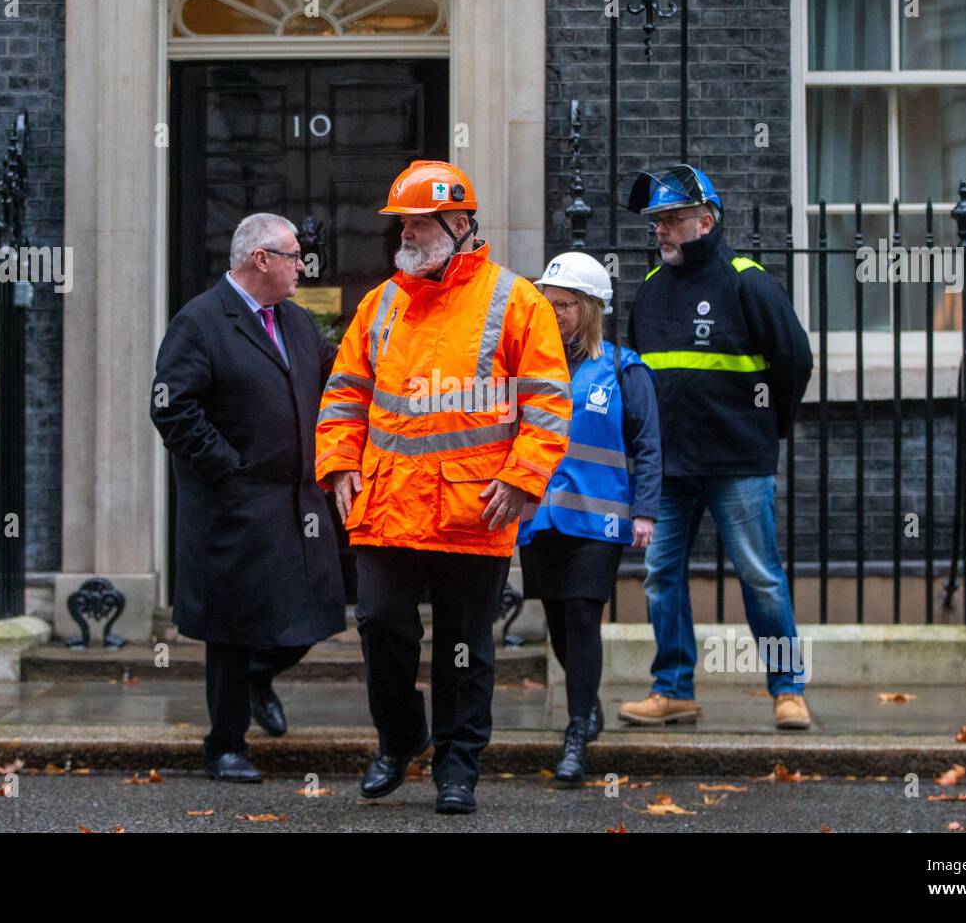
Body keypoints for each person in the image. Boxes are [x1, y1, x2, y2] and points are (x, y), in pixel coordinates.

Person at [315, 160, 571, 815]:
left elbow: (547, 401)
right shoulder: (379, 304)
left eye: (421, 222)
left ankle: (459, 765)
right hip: (389, 503)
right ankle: (401, 739)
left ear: (460, 224)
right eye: (404, 222)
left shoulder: (516, 301)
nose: (408, 232)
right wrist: (339, 465)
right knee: (378, 624)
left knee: (465, 646)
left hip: (474, 507)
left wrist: (523, 478)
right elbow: (345, 392)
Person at [617, 164, 815, 730]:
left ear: (707, 220)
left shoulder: (747, 281)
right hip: (671, 468)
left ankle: (787, 689)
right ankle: (673, 688)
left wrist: (766, 428)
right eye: (656, 221)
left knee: (759, 576)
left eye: (673, 219)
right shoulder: (651, 293)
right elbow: (644, 378)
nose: (661, 231)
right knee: (660, 575)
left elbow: (794, 361)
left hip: (737, 463)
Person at [151, 213, 346, 782]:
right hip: (232, 505)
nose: (302, 266)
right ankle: (226, 744)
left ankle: (262, 675)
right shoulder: (201, 321)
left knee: (317, 611)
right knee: (231, 630)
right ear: (261, 259)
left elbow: (331, 380)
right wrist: (228, 469)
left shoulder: (299, 323)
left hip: (296, 501)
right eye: (293, 256)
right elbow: (171, 406)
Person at [517, 251, 661, 785]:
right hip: (539, 519)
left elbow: (647, 444)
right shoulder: (531, 368)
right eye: (548, 303)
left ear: (591, 309)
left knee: (581, 616)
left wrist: (645, 510)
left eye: (565, 305)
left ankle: (576, 732)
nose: (553, 313)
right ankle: (588, 704)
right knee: (557, 621)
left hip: (599, 523)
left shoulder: (624, 368)